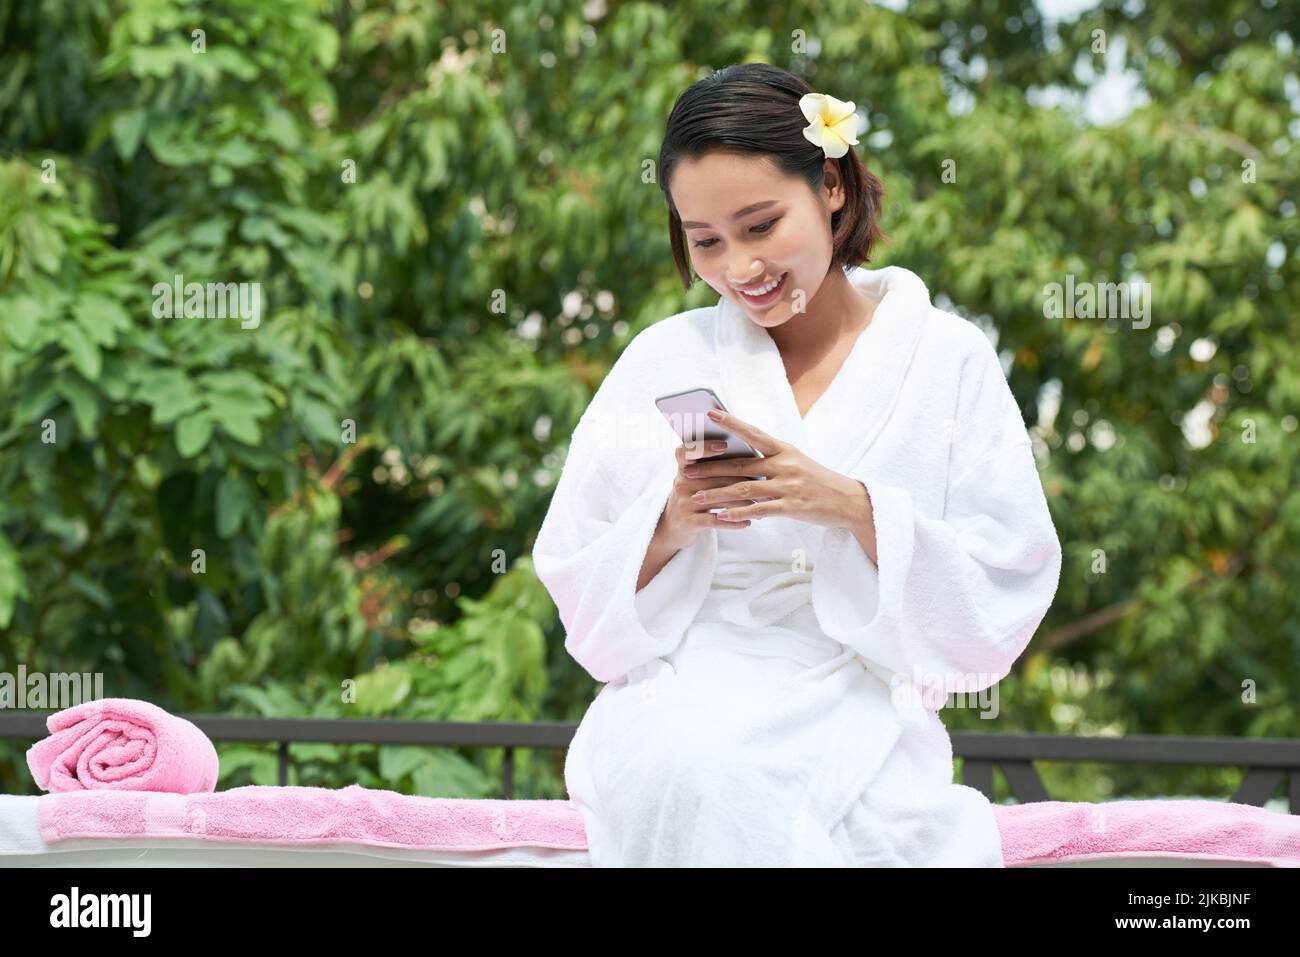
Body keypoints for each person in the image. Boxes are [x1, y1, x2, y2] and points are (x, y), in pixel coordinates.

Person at [531, 63, 1062, 867]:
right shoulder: (661, 358)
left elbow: (1007, 581)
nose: (740, 266)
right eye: (705, 240)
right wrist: (670, 523)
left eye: (761, 224)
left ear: (833, 189)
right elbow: (576, 583)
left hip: (863, 701)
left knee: (785, 794)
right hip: (686, 695)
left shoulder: (946, 358)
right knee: (705, 768)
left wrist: (854, 507)